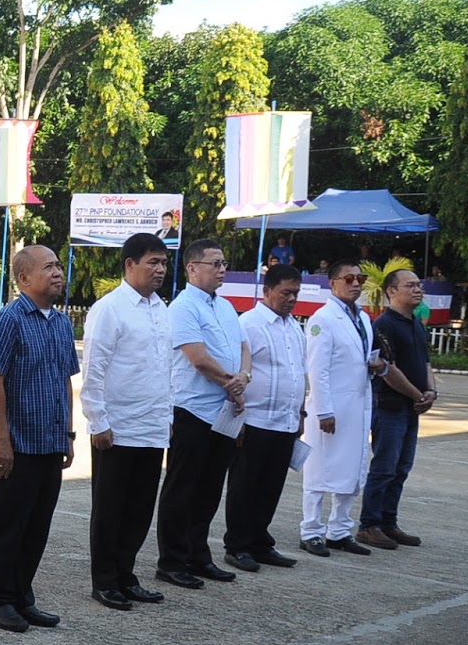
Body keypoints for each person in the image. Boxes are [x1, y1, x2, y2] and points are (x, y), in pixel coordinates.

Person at [0, 245, 80, 633]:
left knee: (38, 526)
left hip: (50, 443)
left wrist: (69, 434)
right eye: (48, 267)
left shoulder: (60, 323)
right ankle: (0, 599)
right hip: (17, 445)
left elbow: (65, 381)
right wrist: (2, 440)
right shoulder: (8, 320)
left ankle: (23, 595)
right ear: (23, 279)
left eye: (58, 266)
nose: (57, 273)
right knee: (7, 527)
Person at [80, 234, 171, 612]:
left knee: (139, 509)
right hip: (117, 428)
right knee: (110, 508)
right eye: (153, 262)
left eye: (164, 263)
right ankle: (105, 580)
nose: (160, 270)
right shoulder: (110, 309)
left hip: (152, 426)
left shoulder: (161, 309)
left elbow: (165, 368)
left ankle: (126, 574)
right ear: (129, 264)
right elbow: (94, 370)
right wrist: (97, 420)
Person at [154, 238, 249, 589]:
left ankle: (198, 554)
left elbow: (242, 346)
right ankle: (172, 560)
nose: (222, 270)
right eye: (215, 264)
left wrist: (244, 377)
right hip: (191, 408)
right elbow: (197, 358)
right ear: (193, 268)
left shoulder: (224, 306)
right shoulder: (183, 307)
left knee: (210, 487)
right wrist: (232, 383)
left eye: (224, 263)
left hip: (223, 409)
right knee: (183, 487)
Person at [299, 261, 385, 557]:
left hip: (357, 404)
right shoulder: (323, 318)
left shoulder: (362, 318)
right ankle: (311, 530)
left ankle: (339, 530)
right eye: (349, 278)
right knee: (319, 469)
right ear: (333, 283)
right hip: (332, 405)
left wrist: (377, 366)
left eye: (360, 278)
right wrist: (324, 410)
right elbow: (317, 369)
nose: (356, 283)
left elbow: (364, 358)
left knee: (352, 467)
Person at [223, 265, 305, 571]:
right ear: (267, 290)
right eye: (285, 292)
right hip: (254, 421)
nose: (291, 299)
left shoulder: (294, 327)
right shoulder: (250, 325)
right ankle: (237, 545)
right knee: (245, 486)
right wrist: (237, 418)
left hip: (284, 421)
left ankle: (260, 541)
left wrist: (300, 414)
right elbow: (236, 370)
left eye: (295, 293)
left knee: (271, 486)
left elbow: (298, 373)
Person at [358, 268, 435, 549]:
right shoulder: (384, 326)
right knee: (384, 467)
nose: (418, 290)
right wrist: (418, 395)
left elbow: (425, 363)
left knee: (402, 467)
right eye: (410, 285)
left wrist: (431, 391)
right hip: (390, 406)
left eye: (419, 285)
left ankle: (389, 522)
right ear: (391, 291)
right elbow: (388, 370)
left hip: (412, 407)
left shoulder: (416, 324)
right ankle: (369, 524)